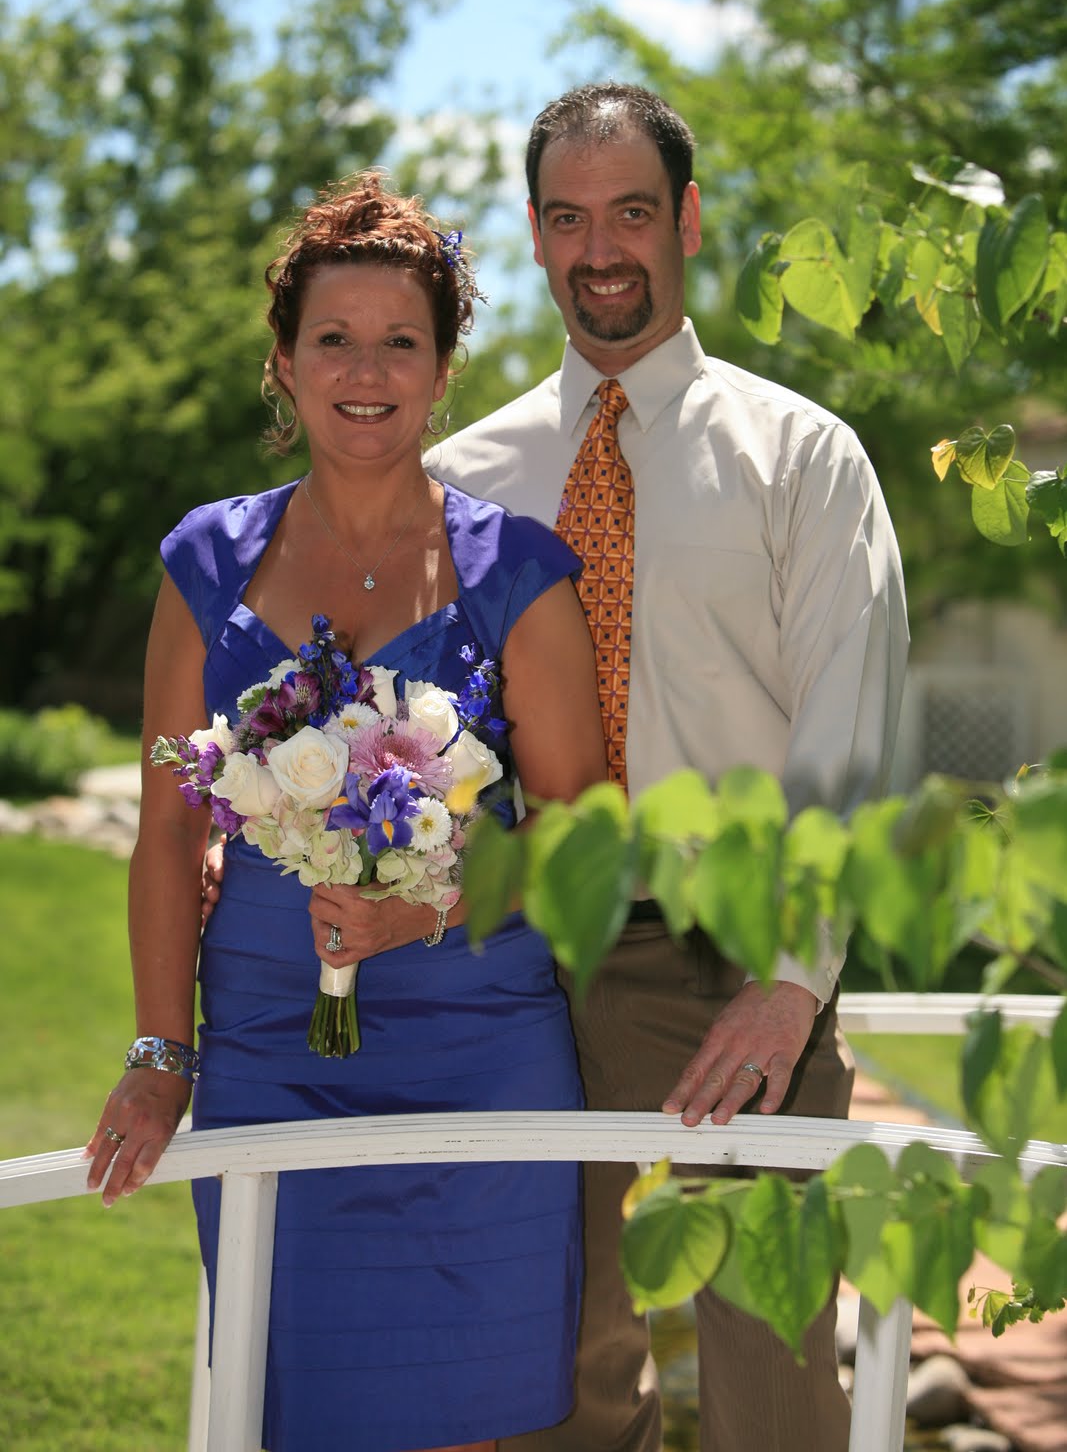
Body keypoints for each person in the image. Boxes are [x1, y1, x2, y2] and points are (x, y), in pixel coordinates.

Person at [85, 174, 607, 1452]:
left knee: (469, 1420)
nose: (365, 372)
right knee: (296, 1408)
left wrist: (429, 904)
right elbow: (168, 830)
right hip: (269, 1046)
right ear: (283, 362)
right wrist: (161, 1055)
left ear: (441, 370)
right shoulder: (206, 563)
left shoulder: (514, 571)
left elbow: (587, 831)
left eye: (398, 342)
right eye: (333, 338)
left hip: (482, 1051)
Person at [426, 84, 910, 1452]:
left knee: (771, 1377)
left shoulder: (799, 458)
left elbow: (849, 727)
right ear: (533, 233)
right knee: (551, 1366)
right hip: (526, 964)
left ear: (686, 220)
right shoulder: (462, 479)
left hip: (737, 958)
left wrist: (788, 980)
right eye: (568, 218)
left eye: (630, 212)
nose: (600, 251)